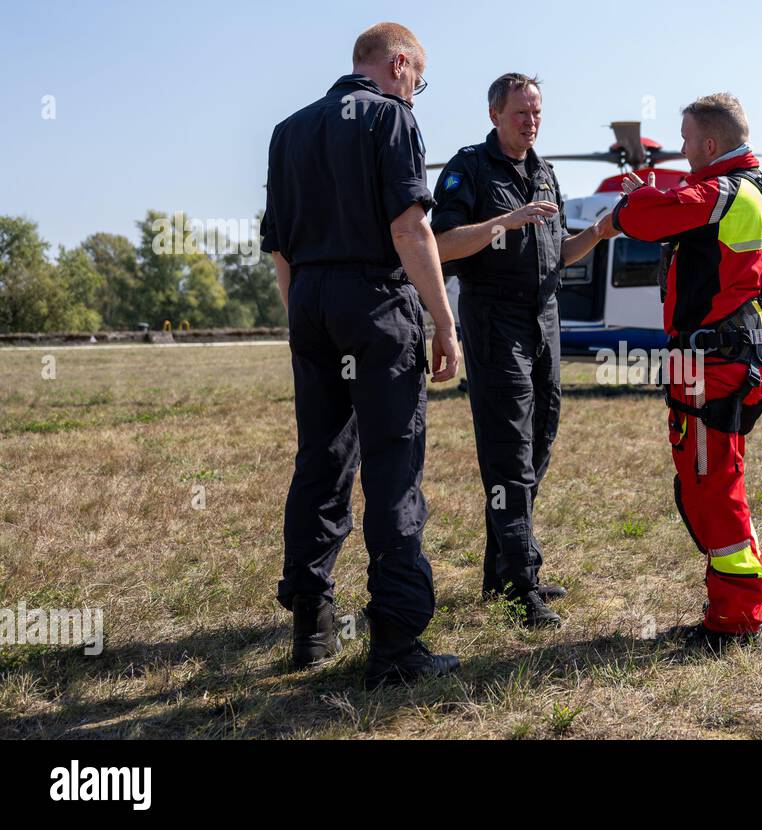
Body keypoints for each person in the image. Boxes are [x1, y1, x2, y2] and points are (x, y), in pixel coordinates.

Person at [260, 22, 461, 688]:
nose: (416, 92)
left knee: (320, 460)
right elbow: (410, 227)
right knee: (392, 465)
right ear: (399, 64)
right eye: (419, 80)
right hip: (374, 300)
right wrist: (443, 321)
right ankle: (397, 644)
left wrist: (302, 322)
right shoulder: (392, 119)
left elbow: (279, 249)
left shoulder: (288, 130)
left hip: (311, 299)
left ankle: (311, 628)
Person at [430, 73, 617, 628]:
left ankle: (502, 570)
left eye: (537, 113)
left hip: (544, 318)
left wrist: (600, 234)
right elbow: (440, 246)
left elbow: (557, 254)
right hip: (495, 321)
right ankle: (520, 582)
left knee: (539, 443)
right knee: (508, 452)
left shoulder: (545, 173)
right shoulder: (469, 169)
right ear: (494, 115)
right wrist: (502, 222)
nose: (531, 122)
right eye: (520, 114)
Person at [611, 93, 762, 648]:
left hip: (711, 362)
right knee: (710, 482)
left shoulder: (720, 192)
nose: (683, 151)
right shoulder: (761, 192)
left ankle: (735, 619)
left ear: (710, 144)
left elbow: (639, 220)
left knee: (713, 487)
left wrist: (636, 199)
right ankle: (729, 608)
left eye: (687, 141)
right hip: (731, 357)